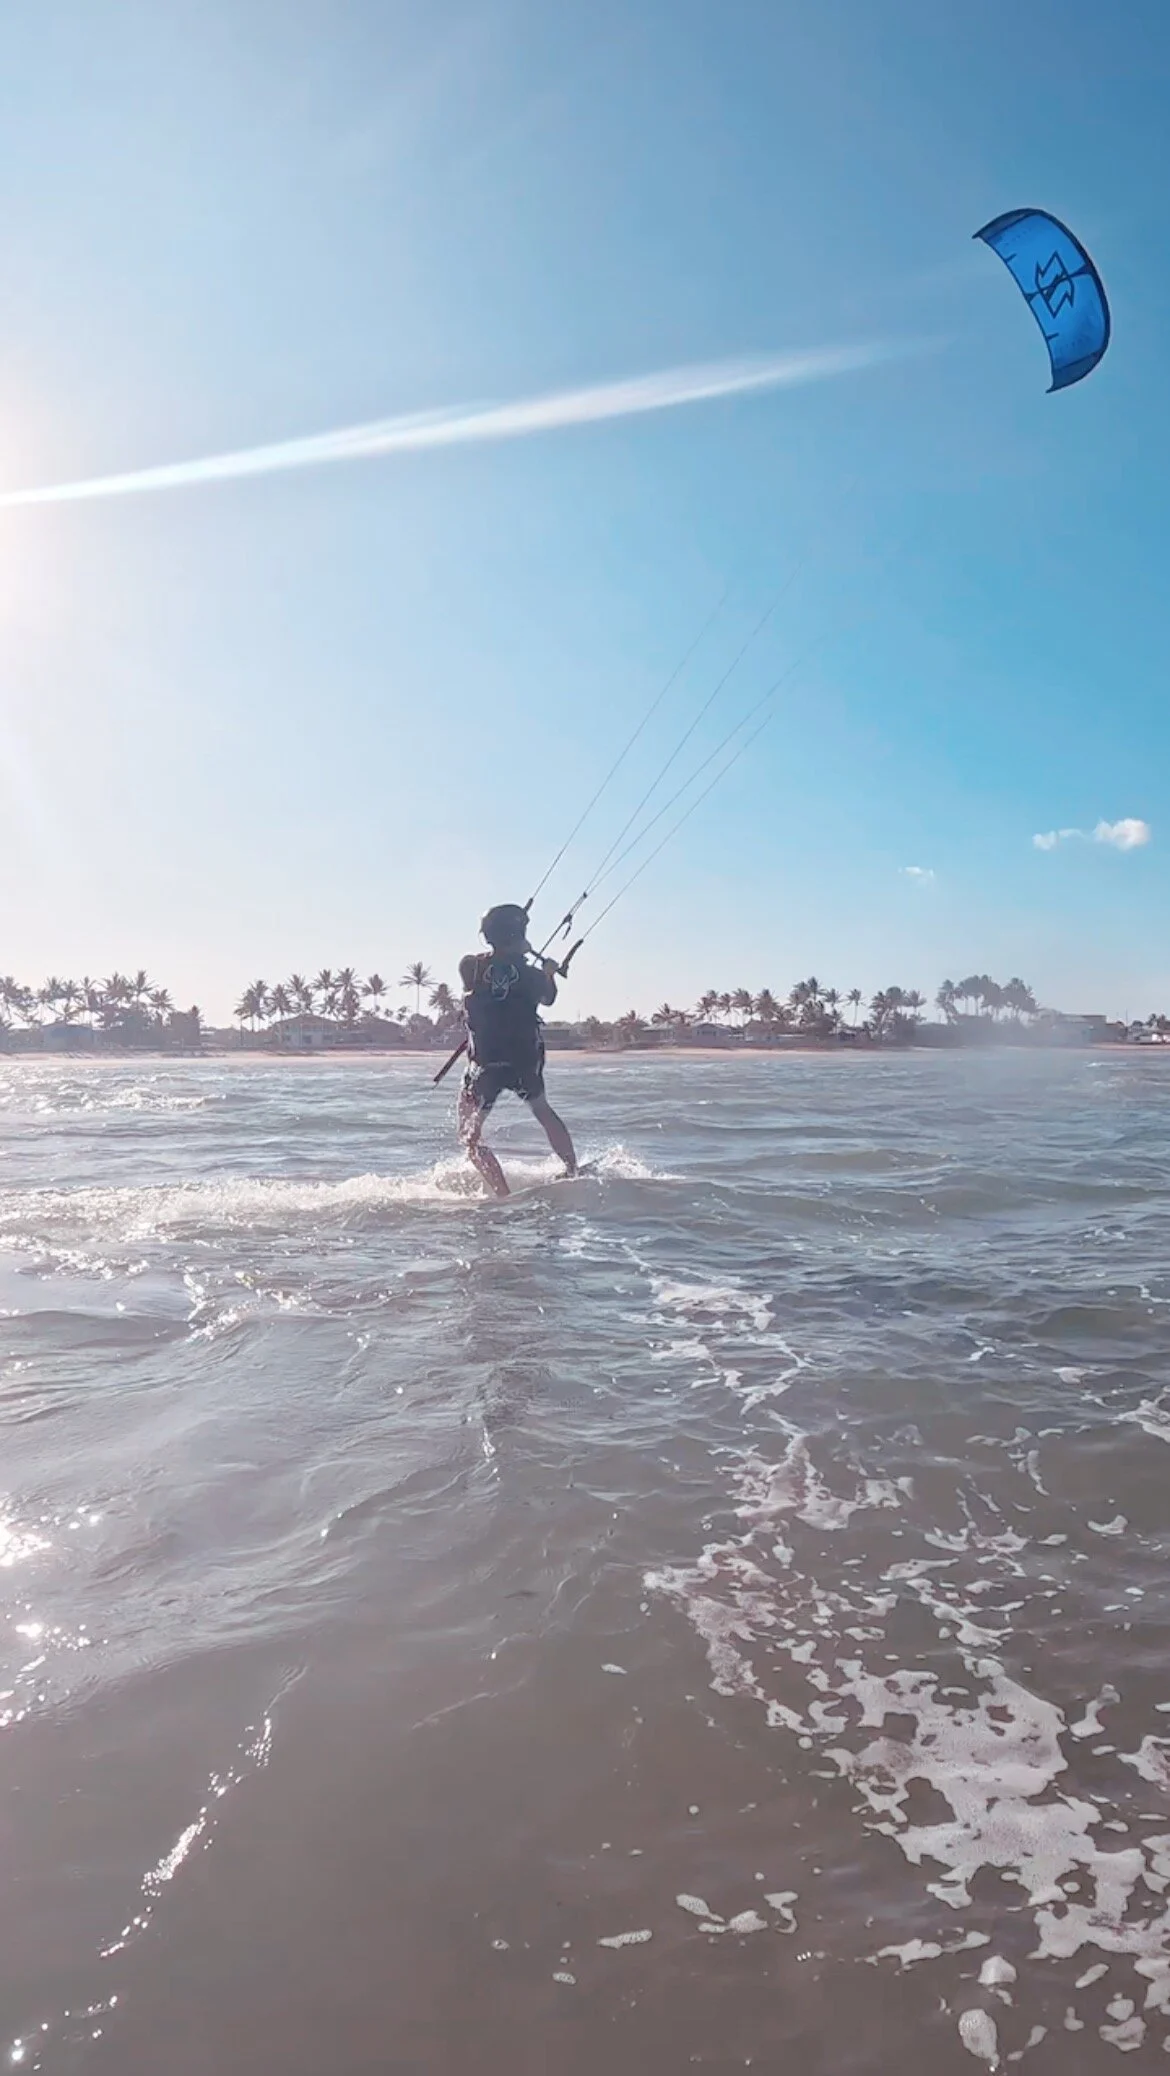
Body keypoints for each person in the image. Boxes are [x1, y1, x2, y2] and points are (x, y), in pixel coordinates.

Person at [457, 903, 578, 1197]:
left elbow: (492, 978)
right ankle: (572, 1171)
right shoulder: (534, 977)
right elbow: (548, 998)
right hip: (523, 1061)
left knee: (469, 1138)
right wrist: (548, 972)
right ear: (520, 935)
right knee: (542, 1110)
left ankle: (502, 1194)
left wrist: (515, 948)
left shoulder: (470, 966)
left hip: (486, 1064)